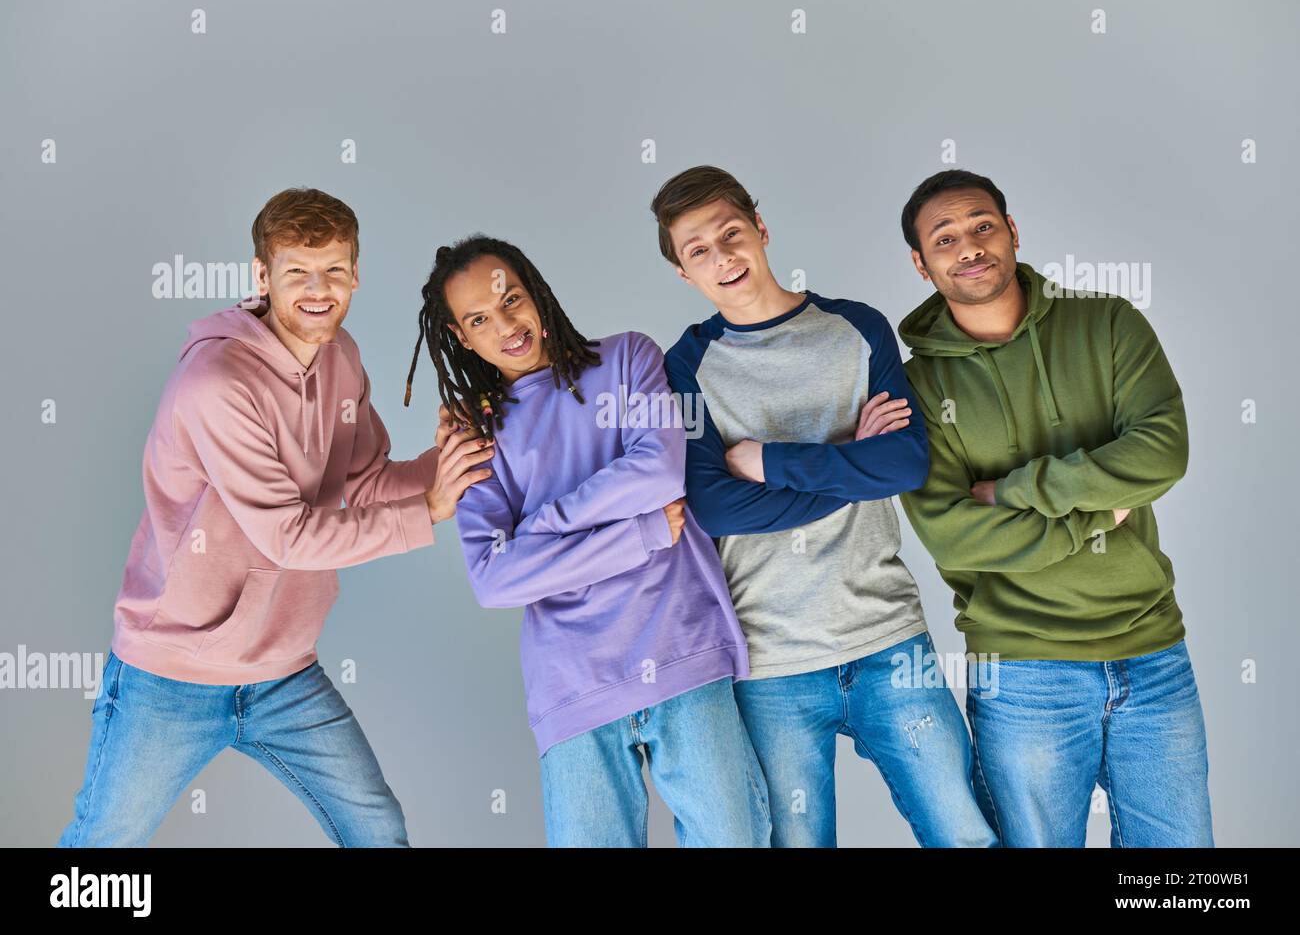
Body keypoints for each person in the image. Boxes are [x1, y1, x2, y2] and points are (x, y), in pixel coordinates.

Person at [58, 188, 491, 847]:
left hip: (281, 668)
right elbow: (286, 535)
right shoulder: (217, 383)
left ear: (356, 274)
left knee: (376, 828)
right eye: (297, 273)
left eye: (335, 271)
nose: (319, 291)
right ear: (261, 276)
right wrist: (427, 511)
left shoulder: (340, 356)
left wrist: (452, 460)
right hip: (173, 673)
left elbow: (368, 479)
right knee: (101, 851)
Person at [653, 165, 998, 847]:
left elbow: (902, 462)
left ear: (761, 228)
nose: (723, 256)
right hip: (771, 660)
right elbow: (717, 507)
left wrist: (767, 461)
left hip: (888, 636)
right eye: (699, 250)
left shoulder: (857, 327)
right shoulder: (686, 365)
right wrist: (848, 458)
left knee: (966, 835)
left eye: (731, 233)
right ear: (683, 273)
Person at [405, 234, 770, 847]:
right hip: (571, 687)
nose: (507, 325)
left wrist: (538, 526)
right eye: (479, 320)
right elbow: (495, 579)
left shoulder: (628, 359)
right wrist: (640, 532)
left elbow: (657, 470)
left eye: (511, 299)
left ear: (537, 292)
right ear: (462, 338)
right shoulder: (478, 432)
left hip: (682, 653)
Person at [895, 168, 1212, 847]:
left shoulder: (1108, 323)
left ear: (1012, 232)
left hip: (1153, 652)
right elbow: (955, 537)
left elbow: (1162, 452)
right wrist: (1099, 511)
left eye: (983, 226)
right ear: (922, 265)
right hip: (1023, 670)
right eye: (945, 238)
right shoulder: (917, 387)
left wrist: (1016, 489)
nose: (970, 247)